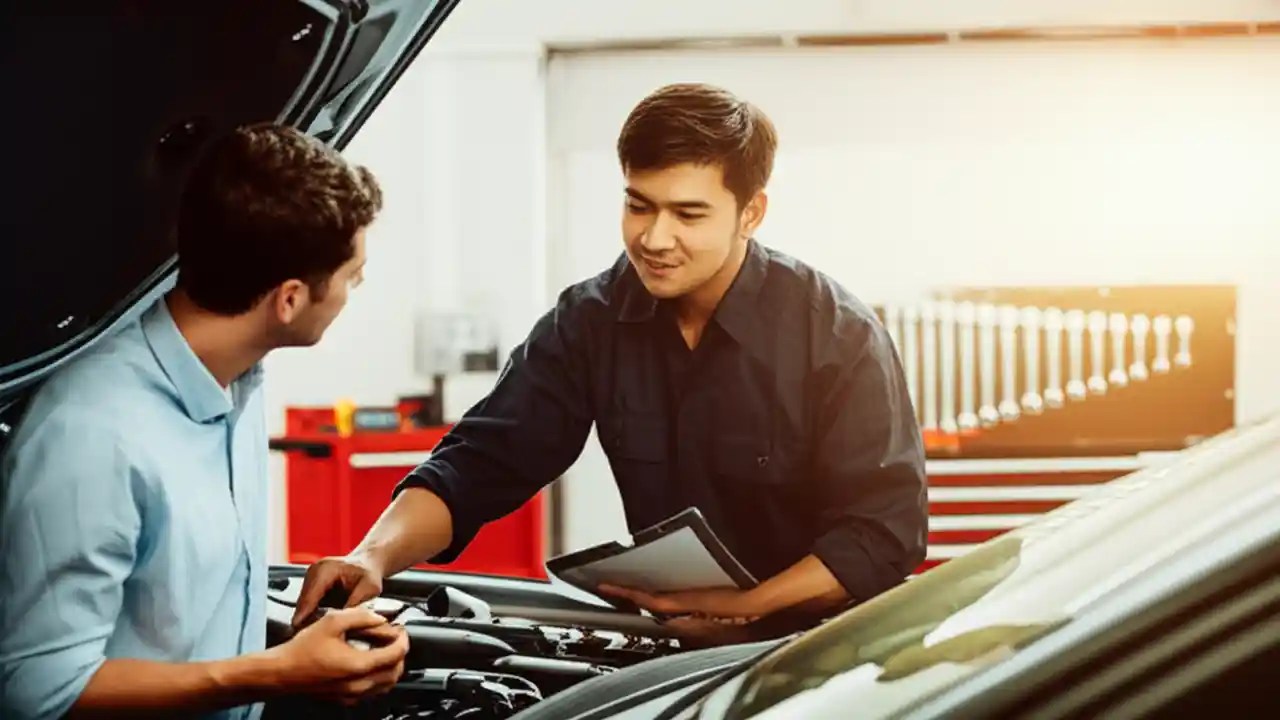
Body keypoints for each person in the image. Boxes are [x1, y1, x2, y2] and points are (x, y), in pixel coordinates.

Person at [293, 83, 928, 638]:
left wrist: (744, 610)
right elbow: (482, 462)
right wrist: (371, 557)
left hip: (827, 654)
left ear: (750, 213)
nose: (654, 238)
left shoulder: (836, 333)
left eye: (688, 213)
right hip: (673, 643)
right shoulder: (590, 321)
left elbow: (881, 534)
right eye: (638, 205)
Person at [0, 124, 408, 720]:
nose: (357, 286)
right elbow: (38, 692)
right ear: (289, 299)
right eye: (351, 275)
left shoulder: (239, 380)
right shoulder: (91, 436)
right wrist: (278, 671)